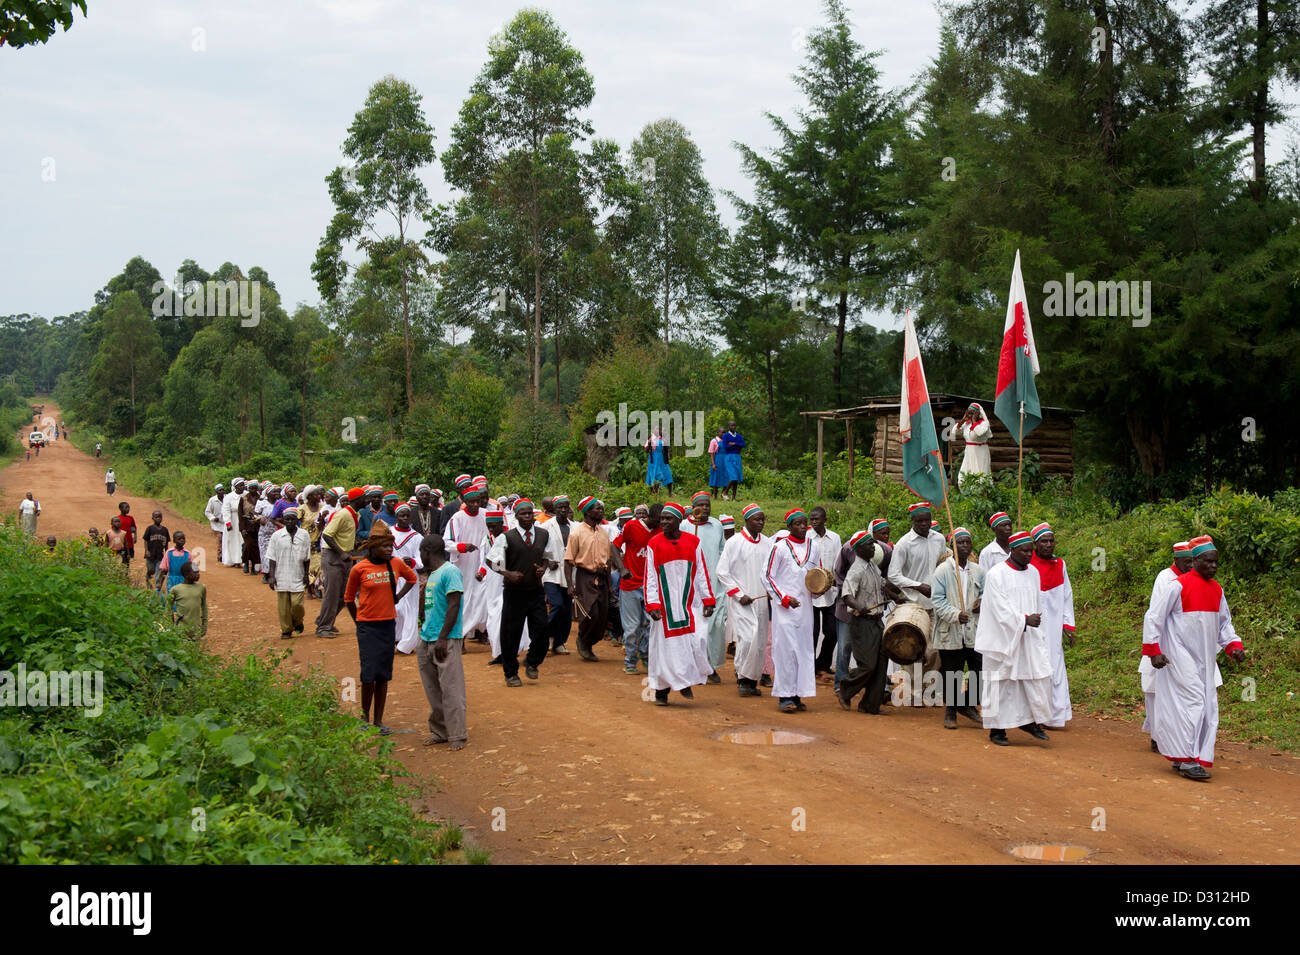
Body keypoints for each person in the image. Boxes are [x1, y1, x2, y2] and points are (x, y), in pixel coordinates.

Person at [1144, 536, 1246, 781]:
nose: (1213, 567)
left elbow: (1224, 624)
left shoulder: (1217, 589)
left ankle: (1184, 756)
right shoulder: (1177, 586)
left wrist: (1233, 646)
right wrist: (1154, 650)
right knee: (1194, 702)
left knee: (1208, 706)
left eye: (1216, 563)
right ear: (1196, 560)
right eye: (1208, 562)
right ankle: (1188, 758)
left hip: (1206, 657)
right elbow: (1154, 617)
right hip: (1178, 654)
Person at [974, 530, 1052, 746]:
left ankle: (1028, 720)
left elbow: (1036, 601)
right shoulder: (996, 574)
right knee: (1001, 683)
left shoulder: (1034, 572)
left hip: (1027, 636)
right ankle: (997, 730)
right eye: (1024, 551)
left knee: (1031, 677)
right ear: (1012, 550)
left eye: (1030, 551)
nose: (1029, 555)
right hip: (1002, 638)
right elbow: (998, 608)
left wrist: (1033, 624)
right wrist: (1024, 620)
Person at [344, 519, 417, 735]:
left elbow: (412, 579)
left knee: (384, 674)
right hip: (367, 626)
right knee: (369, 674)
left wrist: (397, 597)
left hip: (388, 624)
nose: (389, 549)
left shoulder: (394, 564)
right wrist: (357, 621)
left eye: (390, 546)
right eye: (385, 546)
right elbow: (348, 598)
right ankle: (364, 718)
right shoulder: (359, 568)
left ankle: (379, 721)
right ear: (373, 547)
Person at [643, 502, 715, 705]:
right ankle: (661, 691)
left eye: (668, 518)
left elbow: (702, 572)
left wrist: (708, 599)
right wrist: (653, 605)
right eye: (662, 518)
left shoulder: (693, 542)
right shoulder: (654, 544)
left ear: (679, 521)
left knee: (696, 640)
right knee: (664, 648)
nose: (664, 522)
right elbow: (650, 577)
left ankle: (685, 681)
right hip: (664, 607)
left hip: (689, 604)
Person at [487, 499, 550, 685]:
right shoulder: (507, 537)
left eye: (530, 513)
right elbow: (490, 561)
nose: (528, 516)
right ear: (516, 516)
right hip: (514, 593)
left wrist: (543, 568)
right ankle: (511, 673)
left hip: (536, 591)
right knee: (510, 635)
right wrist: (507, 573)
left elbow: (548, 557)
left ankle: (532, 662)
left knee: (542, 631)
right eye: (523, 513)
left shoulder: (543, 534)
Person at [765, 508, 822, 713]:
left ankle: (798, 694)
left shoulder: (814, 546)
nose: (801, 527)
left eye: (803, 524)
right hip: (785, 608)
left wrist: (819, 589)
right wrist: (784, 598)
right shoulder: (779, 547)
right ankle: (785, 695)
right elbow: (767, 576)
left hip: (806, 607)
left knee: (804, 648)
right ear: (789, 526)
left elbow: (817, 574)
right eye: (797, 524)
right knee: (785, 650)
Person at [1140, 541, 1194, 750]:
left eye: (1193, 561)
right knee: (1155, 690)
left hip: (1185, 642)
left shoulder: (1193, 580)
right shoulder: (1165, 578)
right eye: (1186, 562)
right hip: (1163, 639)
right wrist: (1155, 648)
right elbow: (1157, 614)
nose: (1190, 565)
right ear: (1176, 560)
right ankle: (1157, 735)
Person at [417, 534, 468, 750]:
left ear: (427, 551)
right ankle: (440, 731)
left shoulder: (450, 572)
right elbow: (427, 608)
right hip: (427, 637)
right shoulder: (432, 574)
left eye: (421, 552)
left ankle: (457, 734)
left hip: (444, 639)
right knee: (433, 688)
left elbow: (454, 605)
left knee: (451, 689)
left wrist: (443, 638)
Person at [931, 527, 985, 729]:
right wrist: (955, 615)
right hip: (950, 632)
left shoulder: (978, 571)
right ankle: (951, 712)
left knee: (980, 670)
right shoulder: (943, 571)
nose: (964, 546)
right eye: (959, 542)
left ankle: (968, 704)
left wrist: (981, 601)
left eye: (967, 542)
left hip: (973, 631)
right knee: (952, 673)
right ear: (952, 546)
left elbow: (987, 593)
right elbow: (937, 601)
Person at [716, 503, 772, 697]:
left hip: (762, 600)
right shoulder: (734, 542)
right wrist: (739, 594)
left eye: (763, 519)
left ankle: (751, 682)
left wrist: (772, 591)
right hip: (742, 601)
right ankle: (742, 678)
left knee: (759, 641)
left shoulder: (768, 543)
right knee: (747, 639)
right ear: (747, 521)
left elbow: (771, 571)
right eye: (757, 519)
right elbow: (722, 572)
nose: (761, 523)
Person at [836, 531, 891, 713]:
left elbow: (882, 586)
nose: (873, 547)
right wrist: (859, 607)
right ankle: (845, 689)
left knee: (881, 663)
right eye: (869, 544)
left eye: (873, 543)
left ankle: (870, 704)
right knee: (867, 665)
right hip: (862, 622)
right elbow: (847, 595)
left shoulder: (873, 566)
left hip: (876, 620)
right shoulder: (856, 569)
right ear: (858, 548)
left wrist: (896, 597)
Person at [565, 496, 623, 662]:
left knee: (603, 615)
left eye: (601, 508)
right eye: (597, 508)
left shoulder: (604, 532)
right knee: (590, 613)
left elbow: (609, 558)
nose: (601, 511)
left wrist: (610, 584)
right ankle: (583, 641)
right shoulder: (577, 533)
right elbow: (568, 561)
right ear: (588, 512)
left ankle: (589, 642)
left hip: (603, 577)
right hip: (585, 577)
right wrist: (570, 584)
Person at [1029, 522, 1075, 728]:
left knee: (1055, 668)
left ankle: (1055, 716)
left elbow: (1067, 596)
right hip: (1034, 628)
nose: (1048, 545)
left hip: (1055, 628)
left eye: (1051, 541)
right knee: (1037, 669)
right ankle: (1036, 715)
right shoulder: (1027, 565)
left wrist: (1068, 625)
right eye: (1043, 541)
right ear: (1035, 544)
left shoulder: (1061, 565)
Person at [680, 491, 727, 682]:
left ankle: (711, 665)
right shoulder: (684, 526)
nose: (705, 508)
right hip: (691, 585)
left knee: (715, 626)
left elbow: (722, 551)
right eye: (701, 505)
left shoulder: (717, 525)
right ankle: (695, 665)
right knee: (696, 627)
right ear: (692, 508)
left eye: (708, 505)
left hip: (714, 584)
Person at [888, 502, 947, 625]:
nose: (924, 524)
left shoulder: (939, 539)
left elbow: (942, 564)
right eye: (920, 521)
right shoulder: (904, 544)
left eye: (927, 520)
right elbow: (893, 575)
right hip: (914, 605)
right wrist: (918, 586)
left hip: (938, 602)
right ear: (913, 520)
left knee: (937, 643)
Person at [315, 487, 363, 638]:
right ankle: (323, 627)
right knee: (332, 593)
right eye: (365, 498)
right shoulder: (343, 514)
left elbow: (344, 534)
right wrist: (341, 552)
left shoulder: (356, 515)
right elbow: (327, 535)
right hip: (334, 557)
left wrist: (355, 543)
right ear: (357, 500)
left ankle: (324, 620)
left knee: (344, 594)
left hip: (345, 557)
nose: (367, 501)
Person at [446, 483, 489, 641]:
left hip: (482, 563)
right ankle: (461, 636)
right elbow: (447, 542)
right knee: (464, 600)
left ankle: (481, 630)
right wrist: (463, 547)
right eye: (471, 502)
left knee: (482, 598)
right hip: (463, 565)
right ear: (464, 501)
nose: (476, 505)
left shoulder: (485, 514)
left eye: (478, 501)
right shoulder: (457, 518)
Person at [267, 506, 312, 639]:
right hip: (281, 575)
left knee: (297, 604)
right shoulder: (277, 536)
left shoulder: (304, 535)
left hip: (297, 574)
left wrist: (306, 575)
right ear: (283, 520)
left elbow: (307, 557)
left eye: (293, 519)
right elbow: (272, 557)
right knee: (283, 607)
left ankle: (298, 622)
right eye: (287, 519)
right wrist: (271, 576)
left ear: (297, 520)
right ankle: (286, 630)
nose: (290, 522)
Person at [808, 506, 842, 679]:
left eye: (817, 519)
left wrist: (836, 581)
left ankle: (823, 663)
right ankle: (810, 666)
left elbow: (838, 561)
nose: (814, 522)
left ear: (825, 520)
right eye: (812, 519)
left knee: (832, 632)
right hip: (811, 593)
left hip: (830, 592)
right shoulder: (806, 537)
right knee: (812, 633)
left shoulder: (834, 538)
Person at [542, 494, 574, 653]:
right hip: (551, 573)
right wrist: (547, 561)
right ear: (554, 509)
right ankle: (547, 637)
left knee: (567, 609)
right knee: (557, 605)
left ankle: (560, 642)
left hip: (569, 574)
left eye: (565, 507)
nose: (563, 510)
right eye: (560, 507)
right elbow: (538, 548)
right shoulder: (546, 526)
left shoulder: (575, 527)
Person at [392, 503, 425, 654]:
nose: (405, 518)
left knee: (410, 610)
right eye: (402, 515)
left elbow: (422, 560)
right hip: (392, 576)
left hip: (409, 576)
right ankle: (396, 637)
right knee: (396, 608)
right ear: (396, 516)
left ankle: (407, 644)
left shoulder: (417, 537)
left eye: (407, 515)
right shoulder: (389, 533)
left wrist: (412, 562)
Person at [957, 402, 992, 488]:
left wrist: (974, 420)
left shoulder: (984, 423)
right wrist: (963, 420)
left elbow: (979, 432)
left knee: (981, 473)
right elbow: (955, 432)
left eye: (973, 412)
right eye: (969, 412)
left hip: (981, 452)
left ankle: (982, 495)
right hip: (969, 452)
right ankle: (967, 494)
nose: (970, 414)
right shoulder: (966, 423)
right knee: (964, 473)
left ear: (978, 413)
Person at [168, 562, 208, 638]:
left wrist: (204, 625)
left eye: (198, 572)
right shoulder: (175, 589)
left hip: (196, 630)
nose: (198, 574)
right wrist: (171, 626)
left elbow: (204, 607)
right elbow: (168, 608)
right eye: (195, 572)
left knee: (195, 649)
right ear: (186, 574)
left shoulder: (201, 588)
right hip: (181, 630)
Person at [300, 486, 325, 598]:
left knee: (319, 564)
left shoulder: (322, 507)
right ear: (309, 496)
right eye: (316, 494)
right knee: (308, 565)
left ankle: (317, 586)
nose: (319, 496)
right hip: (305, 540)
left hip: (320, 539)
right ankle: (309, 588)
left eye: (319, 494)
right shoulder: (301, 509)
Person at [156, 530, 191, 606]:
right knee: (171, 600)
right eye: (179, 538)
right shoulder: (169, 553)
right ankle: (171, 617)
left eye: (183, 538)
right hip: (171, 580)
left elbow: (192, 568)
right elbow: (163, 570)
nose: (182, 540)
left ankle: (181, 617)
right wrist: (159, 583)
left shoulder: (187, 553)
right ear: (174, 540)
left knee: (183, 601)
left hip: (184, 581)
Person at [255, 484, 280, 579]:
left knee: (275, 553)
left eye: (277, 492)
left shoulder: (279, 503)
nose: (276, 494)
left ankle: (274, 573)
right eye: (273, 492)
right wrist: (260, 518)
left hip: (277, 531)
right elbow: (255, 514)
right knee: (265, 553)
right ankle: (266, 573)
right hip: (264, 532)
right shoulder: (262, 503)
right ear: (268, 494)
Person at [141, 510, 170, 588]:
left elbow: (166, 543)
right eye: (156, 517)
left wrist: (167, 554)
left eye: (160, 517)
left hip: (160, 556)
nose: (158, 519)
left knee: (159, 572)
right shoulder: (150, 528)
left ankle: (158, 587)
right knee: (151, 570)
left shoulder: (165, 530)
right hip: (150, 555)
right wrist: (146, 550)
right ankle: (148, 577)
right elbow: (145, 540)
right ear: (152, 518)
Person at [718, 420, 746, 500]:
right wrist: (737, 445)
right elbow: (726, 446)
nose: (733, 427)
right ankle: (725, 492)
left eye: (734, 425)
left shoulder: (739, 436)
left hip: (737, 457)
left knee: (736, 478)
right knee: (733, 476)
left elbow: (743, 444)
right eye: (731, 425)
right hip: (729, 457)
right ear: (728, 427)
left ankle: (733, 498)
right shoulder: (726, 436)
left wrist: (734, 444)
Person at [221, 478, 245, 567]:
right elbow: (225, 510)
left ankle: (244, 560)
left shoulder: (246, 495)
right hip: (234, 521)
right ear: (235, 487)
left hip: (244, 520)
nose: (243, 487)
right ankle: (235, 560)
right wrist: (228, 523)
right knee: (233, 540)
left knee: (243, 540)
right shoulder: (229, 497)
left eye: (243, 485)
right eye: (240, 485)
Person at [644, 428, 674, 494]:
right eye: (656, 429)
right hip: (654, 460)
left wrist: (667, 457)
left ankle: (670, 493)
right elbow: (646, 450)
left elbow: (666, 449)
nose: (657, 430)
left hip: (662, 459)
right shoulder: (651, 438)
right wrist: (649, 442)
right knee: (654, 475)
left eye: (658, 429)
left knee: (667, 474)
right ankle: (654, 493)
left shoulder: (663, 438)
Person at [204, 484, 226, 554]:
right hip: (217, 525)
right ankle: (220, 554)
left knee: (226, 540)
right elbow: (207, 512)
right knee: (220, 539)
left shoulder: (227, 498)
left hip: (226, 523)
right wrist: (213, 518)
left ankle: (225, 555)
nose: (222, 491)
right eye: (220, 490)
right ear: (216, 492)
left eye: (223, 490)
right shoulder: (212, 500)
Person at [707, 427, 724, 497]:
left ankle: (723, 493)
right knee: (716, 478)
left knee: (727, 477)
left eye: (724, 432)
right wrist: (713, 464)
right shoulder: (714, 441)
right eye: (722, 432)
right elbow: (711, 453)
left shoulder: (725, 441)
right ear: (718, 432)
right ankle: (715, 495)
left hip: (725, 461)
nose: (723, 434)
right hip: (717, 460)